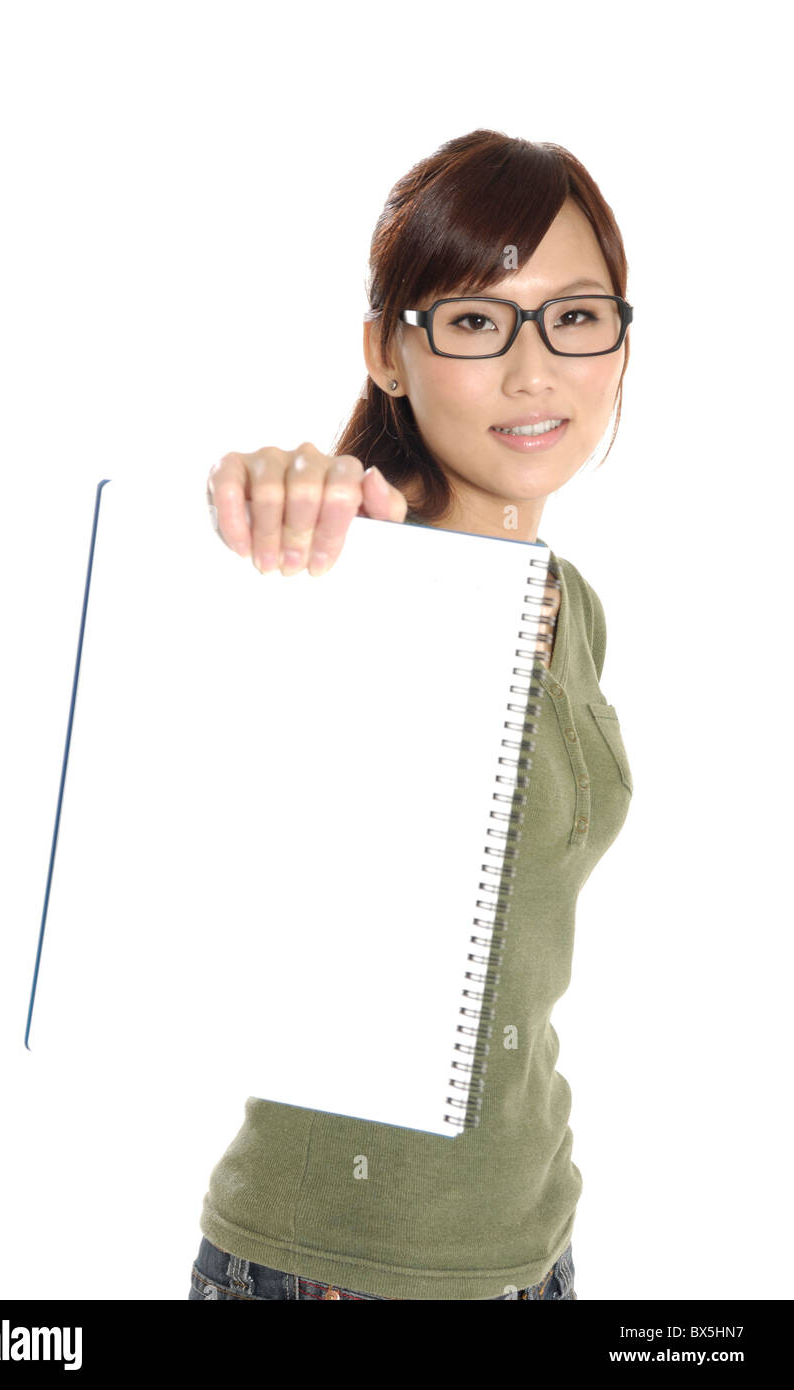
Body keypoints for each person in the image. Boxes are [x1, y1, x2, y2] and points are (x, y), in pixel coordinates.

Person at [190, 128, 634, 1300]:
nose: (534, 371)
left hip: (530, 1245)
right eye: (477, 321)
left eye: (575, 316)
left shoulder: (568, 603)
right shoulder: (341, 571)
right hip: (346, 1270)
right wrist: (276, 507)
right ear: (388, 350)